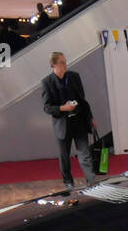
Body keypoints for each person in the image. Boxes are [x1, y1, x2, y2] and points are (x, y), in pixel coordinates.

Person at [40, 51, 99, 188]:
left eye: (65, 61)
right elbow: (47, 108)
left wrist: (90, 117)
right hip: (62, 125)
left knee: (85, 153)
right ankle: (68, 183)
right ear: (53, 65)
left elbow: (83, 101)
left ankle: (91, 181)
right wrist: (62, 108)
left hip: (79, 121)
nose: (65, 65)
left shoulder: (74, 77)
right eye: (62, 62)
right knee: (64, 157)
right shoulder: (47, 82)